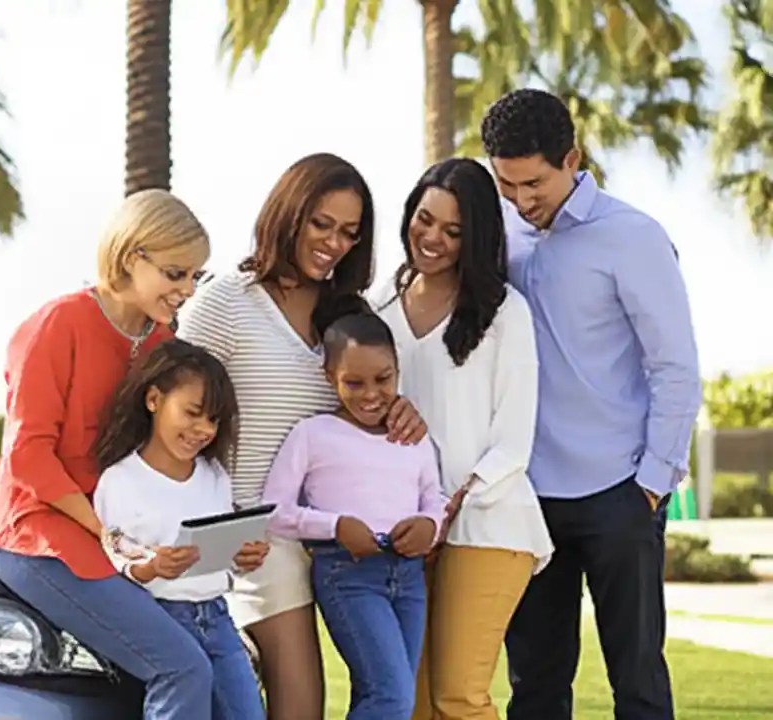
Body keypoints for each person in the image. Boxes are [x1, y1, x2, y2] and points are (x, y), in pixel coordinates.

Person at [176, 152, 427, 719]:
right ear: (289, 212)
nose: (334, 242)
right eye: (322, 224)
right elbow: (172, 417)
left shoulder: (351, 316)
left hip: (347, 546)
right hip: (259, 537)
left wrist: (400, 410)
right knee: (299, 707)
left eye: (349, 232)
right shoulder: (227, 301)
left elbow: (364, 405)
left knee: (389, 696)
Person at [480, 88, 703, 720]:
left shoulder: (632, 237)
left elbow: (675, 367)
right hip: (531, 498)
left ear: (572, 157)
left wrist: (652, 485)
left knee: (636, 683)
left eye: (535, 182)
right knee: (536, 688)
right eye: (506, 183)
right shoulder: (501, 239)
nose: (523, 199)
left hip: (620, 493)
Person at [0, 189, 218, 720]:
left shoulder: (162, 344)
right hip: (37, 535)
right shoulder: (57, 326)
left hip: (115, 538)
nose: (188, 291)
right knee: (183, 668)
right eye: (177, 274)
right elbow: (28, 459)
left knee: (216, 660)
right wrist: (106, 531)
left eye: (197, 277)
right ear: (132, 258)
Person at [373, 157, 553, 720]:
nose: (432, 238)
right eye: (425, 220)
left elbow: (513, 442)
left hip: (489, 521)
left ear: (474, 239)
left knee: (459, 696)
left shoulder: (505, 313)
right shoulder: (378, 306)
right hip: (407, 526)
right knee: (416, 704)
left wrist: (452, 503)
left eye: (453, 231)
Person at [261, 312, 445, 720]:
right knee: (392, 698)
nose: (371, 394)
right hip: (348, 575)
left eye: (384, 379)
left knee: (383, 696)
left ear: (397, 370)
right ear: (330, 377)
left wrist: (430, 525)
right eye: (354, 383)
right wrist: (335, 526)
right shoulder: (313, 434)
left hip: (409, 578)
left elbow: (435, 497)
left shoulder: (412, 436)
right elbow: (274, 512)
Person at [92, 338, 270, 720]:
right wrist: (153, 565)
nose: (203, 429)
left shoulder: (213, 476)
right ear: (154, 400)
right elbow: (117, 551)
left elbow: (220, 552)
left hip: (218, 618)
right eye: (192, 413)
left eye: (213, 420)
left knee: (247, 713)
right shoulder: (121, 480)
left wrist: (243, 557)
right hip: (163, 617)